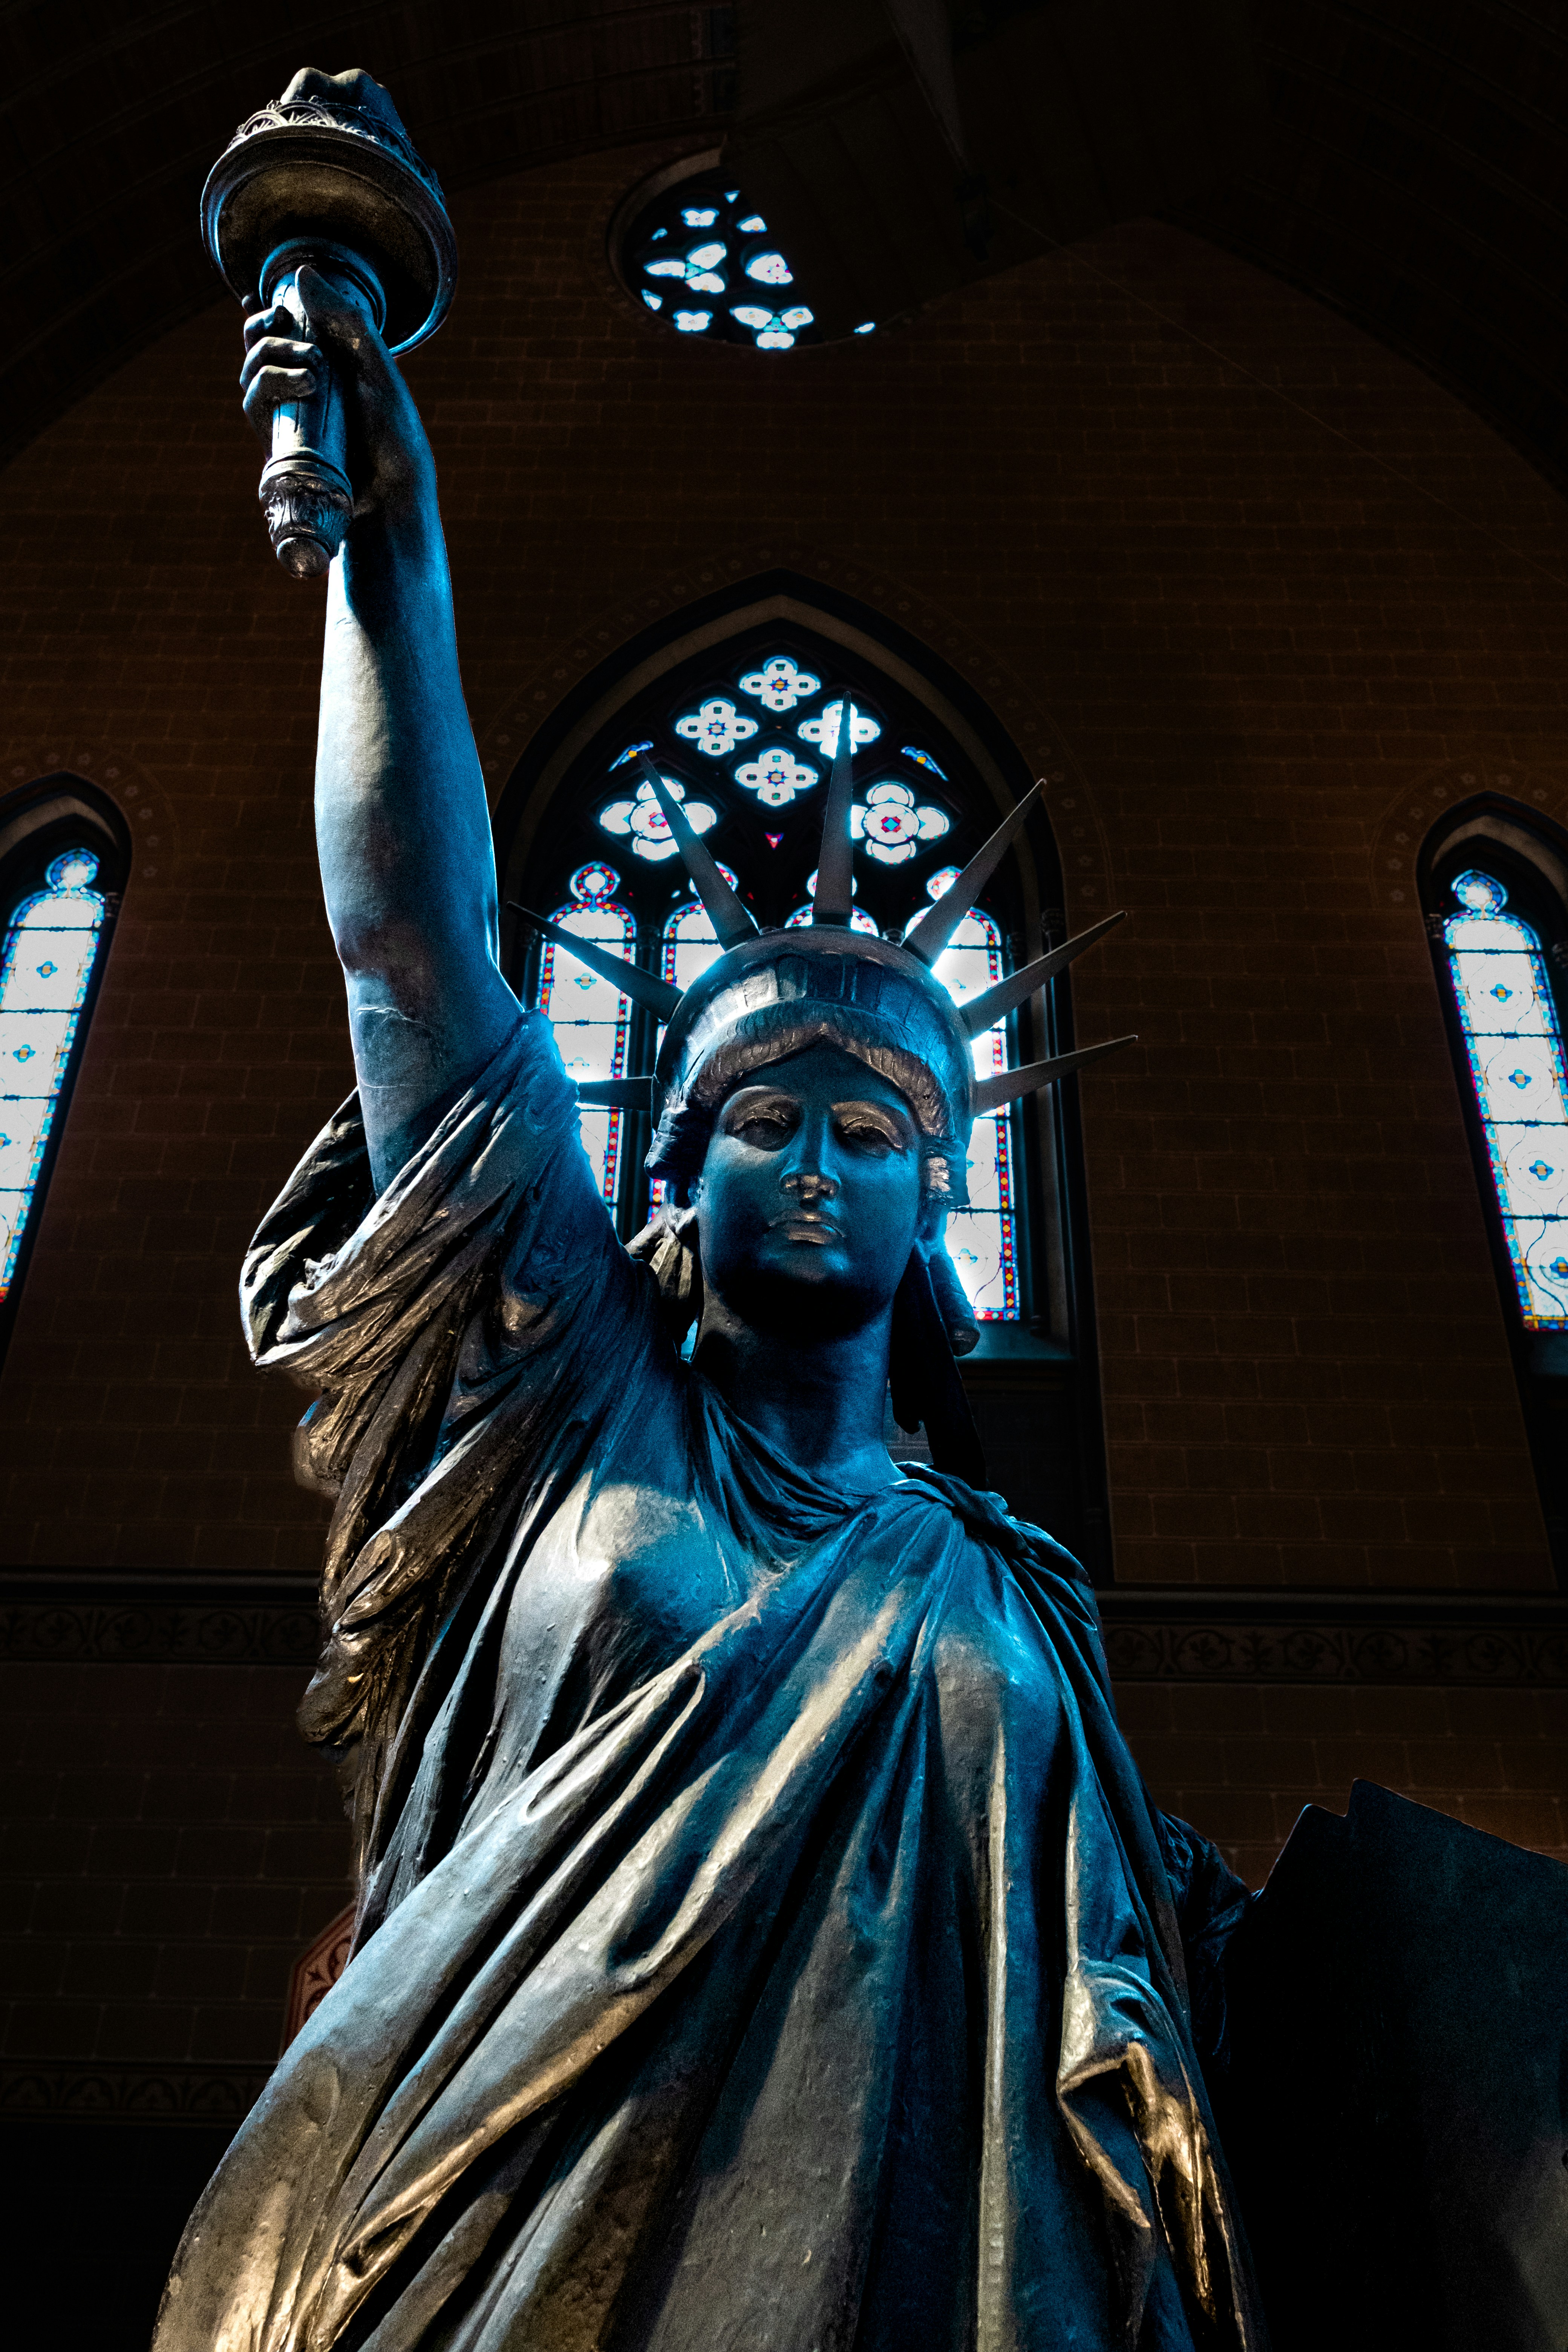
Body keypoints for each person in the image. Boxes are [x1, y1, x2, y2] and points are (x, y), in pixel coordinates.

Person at [156, 70, 1265, 2352]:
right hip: (503, 2240)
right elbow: (413, 946)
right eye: (768, 1114)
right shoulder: (572, 1390)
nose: (824, 1162)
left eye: (879, 1132)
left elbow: (1112, 1966)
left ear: (945, 1200)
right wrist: (394, 549)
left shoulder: (1001, 1589)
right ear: (675, 1159)